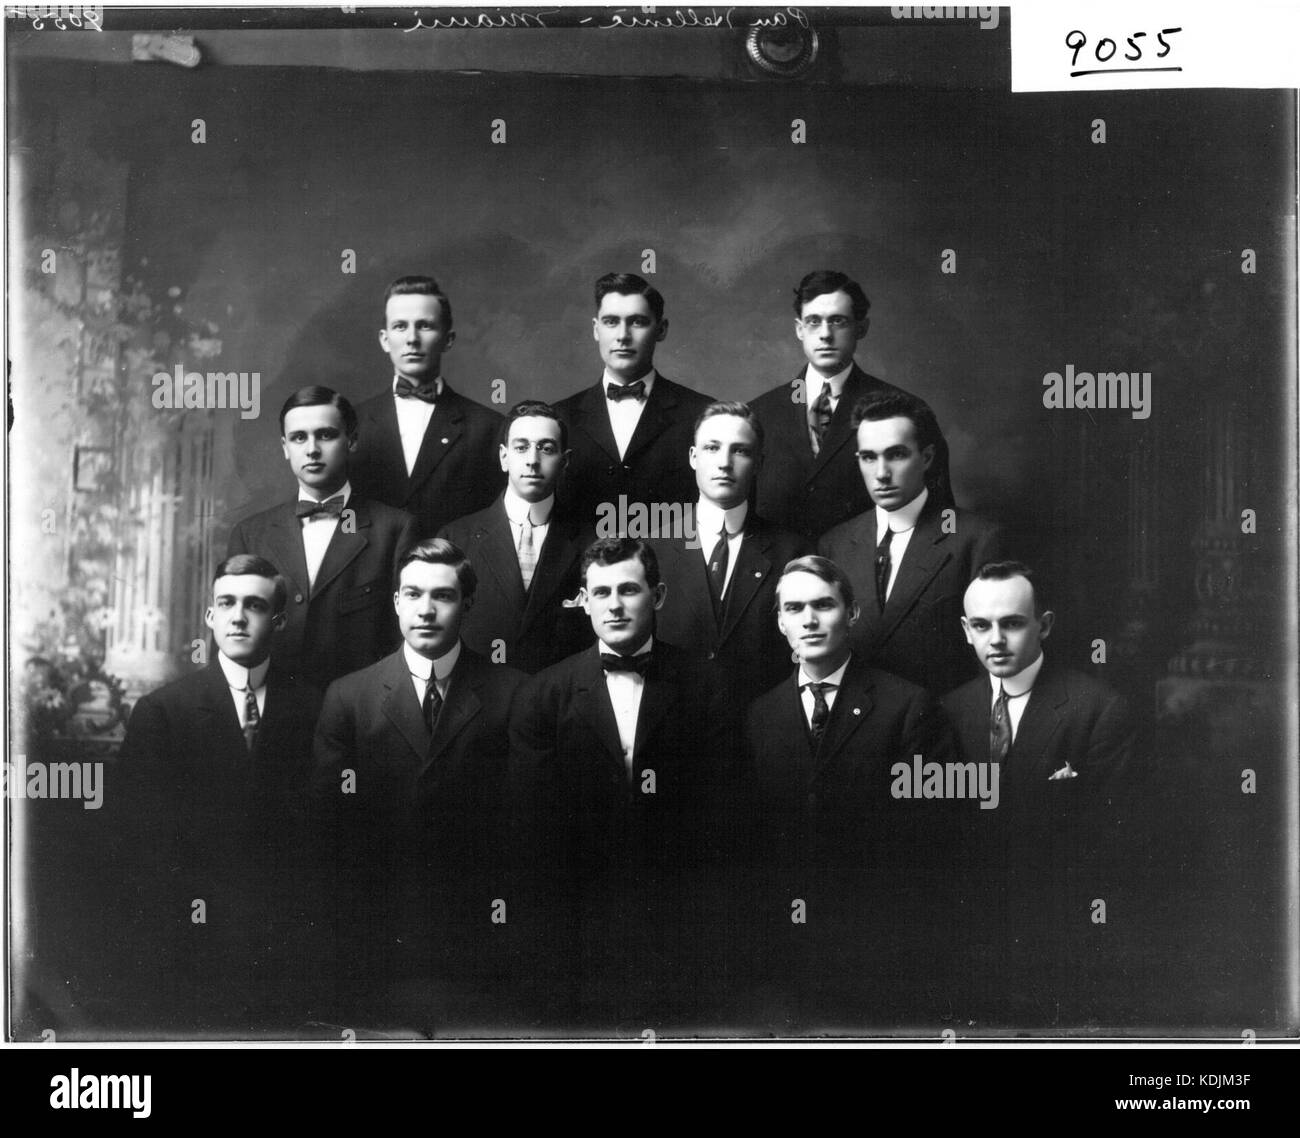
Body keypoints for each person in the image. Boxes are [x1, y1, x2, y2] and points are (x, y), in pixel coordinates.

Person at [508, 537, 743, 1020]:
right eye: (600, 593)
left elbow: (721, 810)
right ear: (584, 601)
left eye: (629, 590)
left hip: (679, 913)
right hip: (579, 917)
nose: (614, 605)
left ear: (656, 596)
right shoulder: (543, 693)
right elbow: (534, 823)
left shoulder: (707, 684)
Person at [310, 538, 526, 1028]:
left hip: (479, 940)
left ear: (467, 604)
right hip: (380, 936)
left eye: (443, 596)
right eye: (412, 594)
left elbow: (525, 824)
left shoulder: (512, 692)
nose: (425, 610)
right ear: (395, 602)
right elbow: (330, 829)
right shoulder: (349, 696)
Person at [742, 555, 958, 1019]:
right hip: (785, 952)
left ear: (853, 614)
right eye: (795, 609)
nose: (810, 620)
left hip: (878, 943)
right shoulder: (760, 715)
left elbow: (928, 835)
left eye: (824, 605)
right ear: (779, 622)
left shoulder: (908, 705)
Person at [116, 555, 323, 1029]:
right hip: (192, 940)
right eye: (226, 603)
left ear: (278, 619)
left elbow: (323, 830)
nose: (237, 616)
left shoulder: (316, 707)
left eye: (253, 605)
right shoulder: (163, 711)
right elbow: (140, 840)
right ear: (209, 617)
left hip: (285, 942)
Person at [941, 561, 1138, 1019]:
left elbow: (1110, 843)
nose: (996, 640)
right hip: (972, 942)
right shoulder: (948, 711)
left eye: (1012, 624)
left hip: (1061, 940)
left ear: (1043, 626)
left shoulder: (1099, 710)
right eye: (983, 626)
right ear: (966, 630)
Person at [227, 386, 418, 689]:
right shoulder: (251, 534)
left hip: (357, 711)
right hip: (271, 708)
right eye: (299, 437)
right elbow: (229, 640)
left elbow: (405, 638)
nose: (312, 449)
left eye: (326, 435)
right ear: (285, 447)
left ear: (352, 440)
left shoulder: (394, 529)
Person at [818, 389, 1003, 695]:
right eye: (868, 457)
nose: (881, 473)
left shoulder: (976, 539)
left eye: (897, 455)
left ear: (927, 457)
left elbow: (991, 665)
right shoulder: (834, 545)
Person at [749, 269, 953, 541]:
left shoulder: (907, 412)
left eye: (838, 322)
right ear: (799, 329)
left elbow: (937, 516)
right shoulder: (759, 413)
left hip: (869, 574)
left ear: (861, 328)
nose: (825, 335)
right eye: (813, 322)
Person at [649, 401, 810, 697]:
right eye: (712, 448)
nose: (724, 462)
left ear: (759, 463)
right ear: (693, 457)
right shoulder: (652, 548)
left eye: (740, 450)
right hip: (671, 726)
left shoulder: (793, 551)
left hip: (758, 728)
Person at [438, 400, 593, 673]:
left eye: (546, 449)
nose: (533, 460)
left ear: (565, 461)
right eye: (521, 448)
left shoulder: (591, 542)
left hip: (558, 702)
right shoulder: (455, 537)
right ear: (504, 457)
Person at [553, 273, 713, 528]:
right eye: (611, 322)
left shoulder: (703, 415)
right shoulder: (558, 418)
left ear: (661, 329)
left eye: (637, 322)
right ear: (596, 329)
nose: (623, 335)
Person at [349, 275, 504, 537]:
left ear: (448, 339)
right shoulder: (352, 423)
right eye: (400, 326)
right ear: (384, 340)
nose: (412, 338)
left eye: (424, 326)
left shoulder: (488, 427)